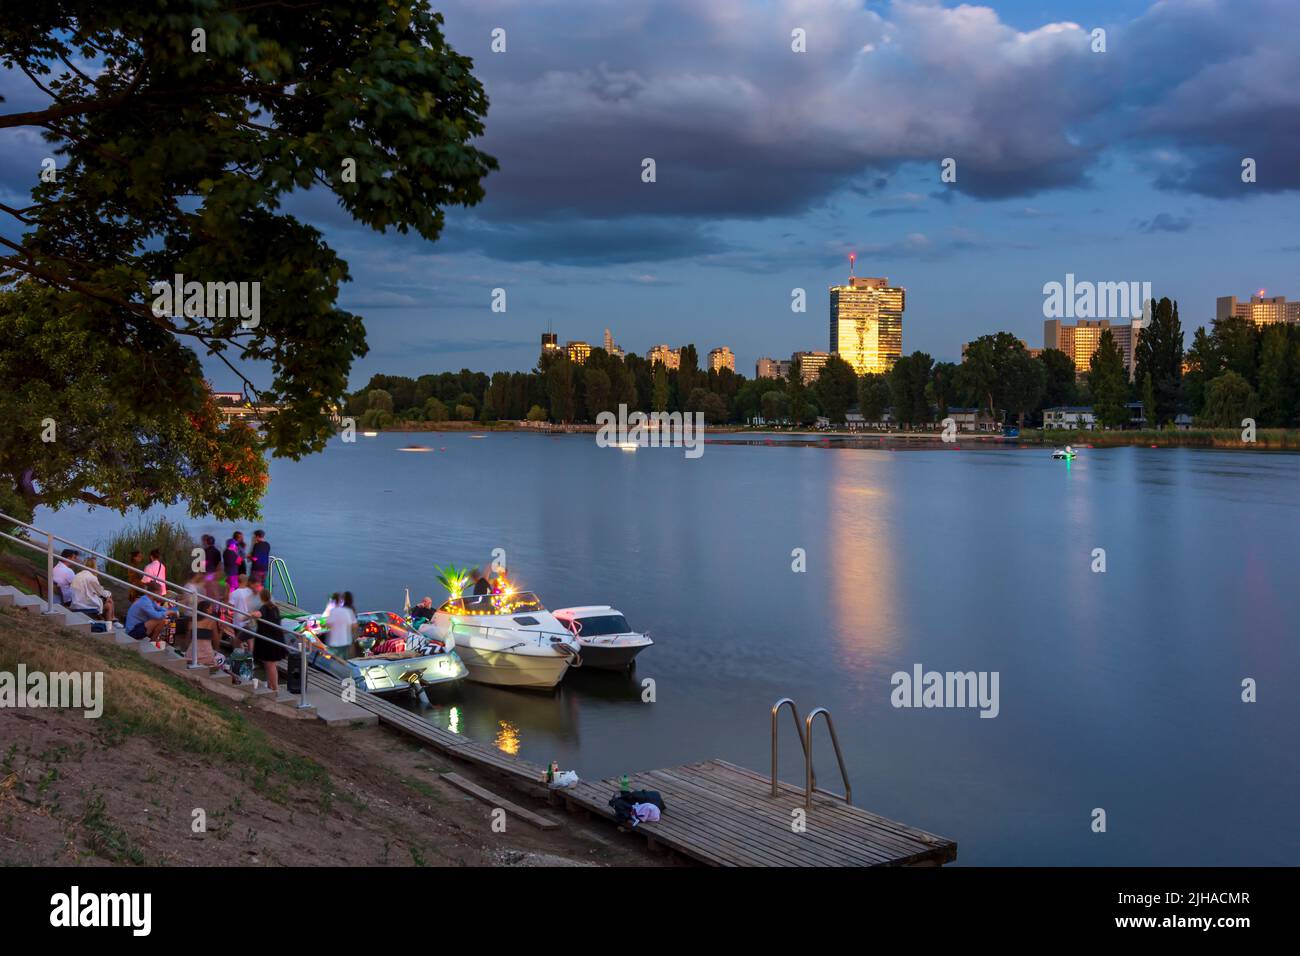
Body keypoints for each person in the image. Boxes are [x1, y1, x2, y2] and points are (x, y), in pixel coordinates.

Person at [254, 589, 287, 692]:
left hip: (268, 641)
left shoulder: (264, 608)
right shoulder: (275, 607)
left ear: (261, 598)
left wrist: (249, 614)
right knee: (271, 665)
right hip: (277, 638)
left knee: (270, 665)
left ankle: (275, 688)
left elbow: (258, 614)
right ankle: (270, 685)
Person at [70, 556, 114, 621]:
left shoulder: (76, 575)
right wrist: (109, 594)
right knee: (109, 604)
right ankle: (110, 622)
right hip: (86, 606)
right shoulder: (92, 578)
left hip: (75, 604)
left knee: (102, 601)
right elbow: (101, 592)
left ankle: (104, 619)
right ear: (94, 567)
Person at [228, 574, 260, 650]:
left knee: (239, 641)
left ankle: (241, 653)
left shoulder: (234, 593)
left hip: (238, 622)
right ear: (247, 582)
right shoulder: (251, 592)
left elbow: (230, 606)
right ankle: (250, 654)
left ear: (238, 581)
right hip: (250, 620)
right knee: (250, 639)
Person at [326, 590, 357, 660]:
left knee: (334, 662)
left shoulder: (332, 611)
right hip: (346, 642)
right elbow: (354, 626)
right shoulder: (348, 611)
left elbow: (328, 625)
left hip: (334, 643)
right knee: (344, 662)